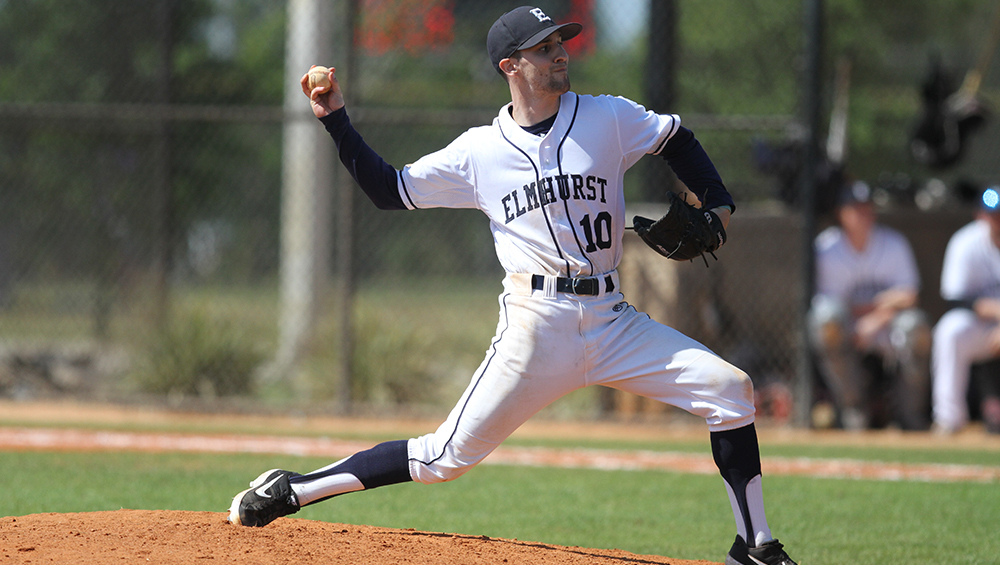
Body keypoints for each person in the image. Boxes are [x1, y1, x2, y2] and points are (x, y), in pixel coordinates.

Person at [228, 7, 798, 565]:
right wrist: (336, 119)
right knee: (442, 458)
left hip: (614, 319)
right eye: (543, 48)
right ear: (510, 66)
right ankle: (295, 487)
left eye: (560, 43)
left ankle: (756, 547)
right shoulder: (479, 151)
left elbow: (676, 137)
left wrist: (719, 206)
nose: (559, 53)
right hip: (536, 325)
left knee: (730, 390)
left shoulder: (607, 117)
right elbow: (388, 189)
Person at [807, 179, 931, 431]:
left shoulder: (893, 243)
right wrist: (883, 302)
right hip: (849, 326)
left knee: (916, 328)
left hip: (886, 325)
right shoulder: (827, 247)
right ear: (841, 213)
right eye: (855, 208)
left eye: (866, 207)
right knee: (827, 321)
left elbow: (909, 296)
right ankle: (853, 408)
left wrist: (874, 318)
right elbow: (831, 305)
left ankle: (911, 414)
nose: (863, 214)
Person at [931, 186, 1000, 435]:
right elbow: (955, 299)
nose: (997, 220)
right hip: (983, 326)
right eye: (992, 214)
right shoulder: (966, 242)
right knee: (951, 330)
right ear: (980, 216)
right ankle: (949, 419)